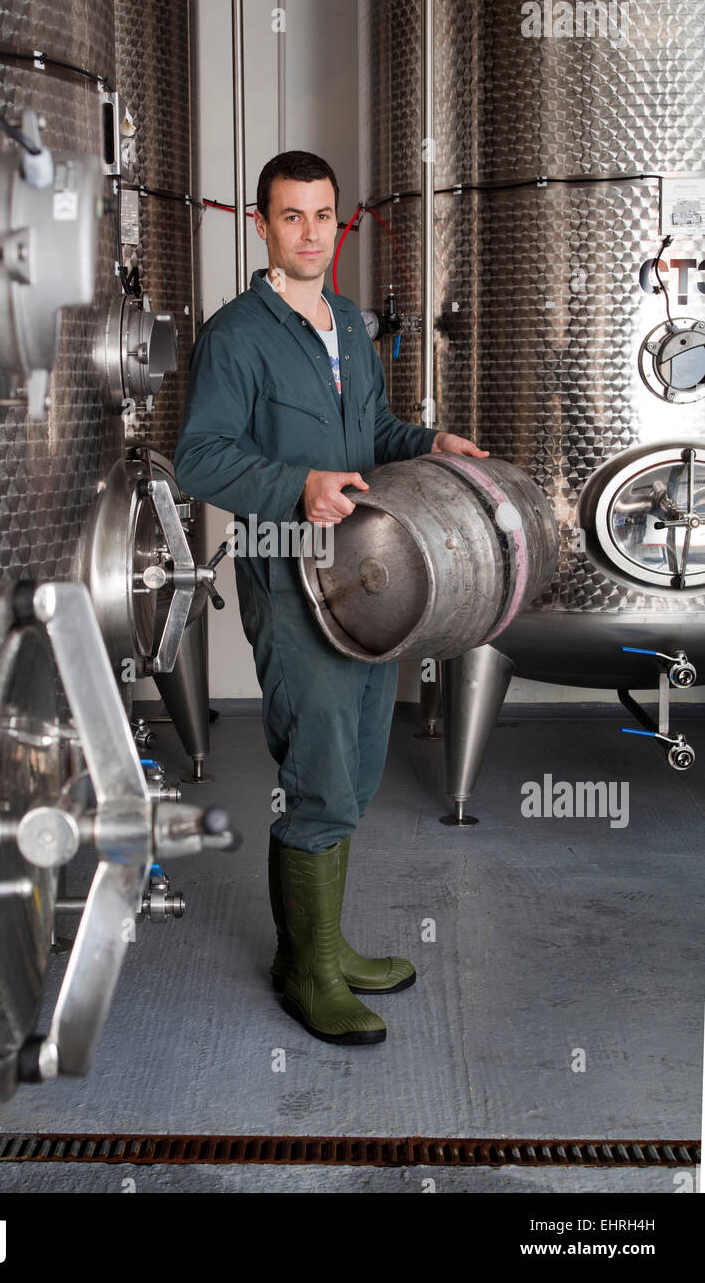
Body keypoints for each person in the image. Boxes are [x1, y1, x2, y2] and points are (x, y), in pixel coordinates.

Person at [174, 150, 488, 1046]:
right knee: (317, 769)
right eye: (291, 216)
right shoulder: (236, 335)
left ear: (337, 225)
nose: (309, 233)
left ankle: (321, 947)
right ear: (262, 226)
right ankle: (308, 972)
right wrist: (297, 485)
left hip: (363, 577)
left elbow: (373, 431)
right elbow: (201, 457)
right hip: (288, 569)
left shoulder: (347, 323)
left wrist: (429, 443)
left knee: (352, 761)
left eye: (323, 216)